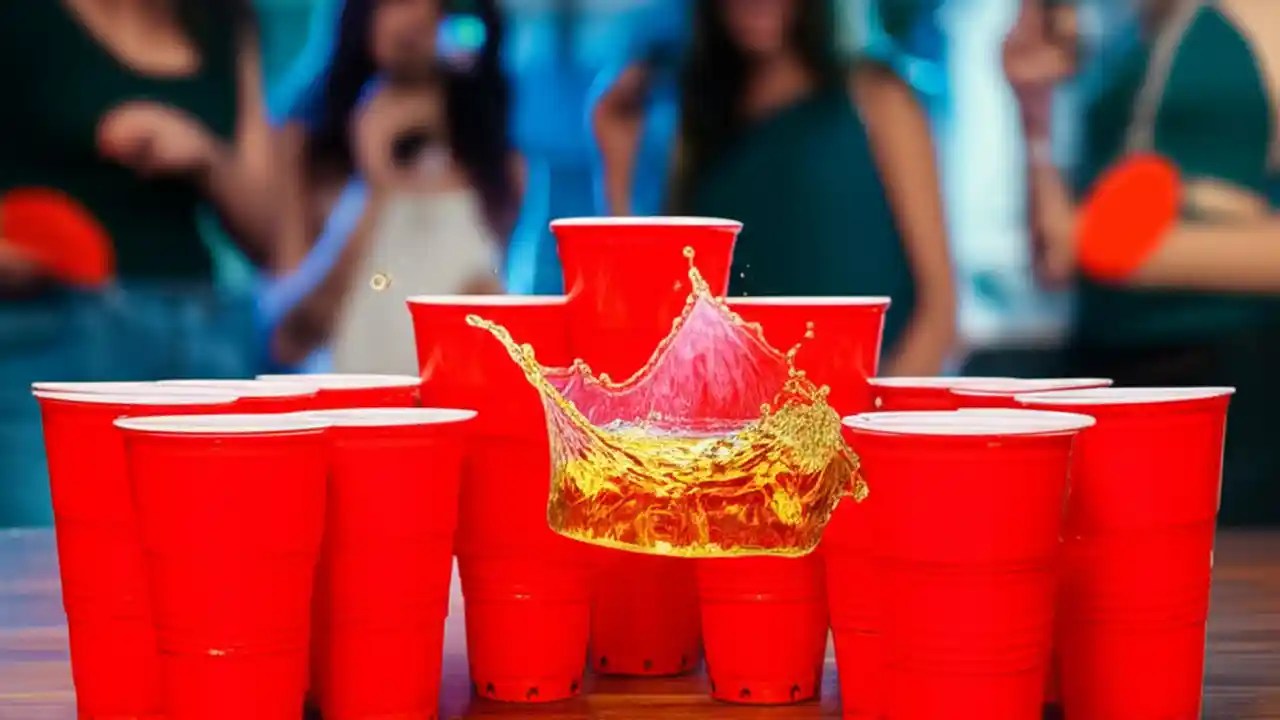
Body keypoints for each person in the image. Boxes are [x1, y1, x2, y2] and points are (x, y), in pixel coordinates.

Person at [0, 0, 280, 526]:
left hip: (205, 335)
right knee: (45, 570)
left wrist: (205, 156)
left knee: (218, 557)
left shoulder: (226, 21)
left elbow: (269, 235)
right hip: (48, 336)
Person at [1005, 0, 1280, 525]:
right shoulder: (1132, 41)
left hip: (1215, 369)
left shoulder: (1220, 35)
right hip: (1124, 360)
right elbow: (1059, 253)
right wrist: (1033, 110)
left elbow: (1083, 247)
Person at [597, 0, 956, 375]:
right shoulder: (694, 133)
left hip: (863, 416)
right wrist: (615, 168)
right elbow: (667, 321)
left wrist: (869, 426)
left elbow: (939, 313)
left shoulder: (877, 100)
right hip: (740, 424)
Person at [272, 0, 514, 374]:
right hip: (345, 408)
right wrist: (373, 189)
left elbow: (496, 319)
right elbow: (288, 337)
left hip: (448, 409)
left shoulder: (499, 169)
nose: (416, 18)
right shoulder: (306, 146)